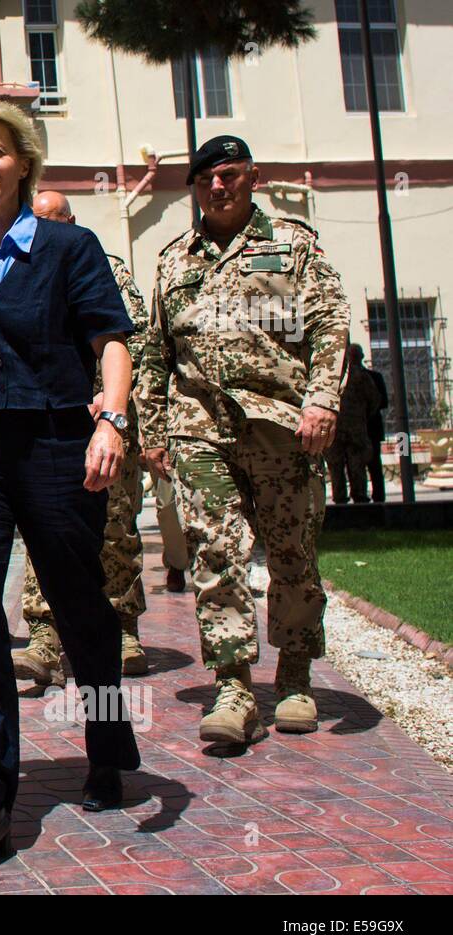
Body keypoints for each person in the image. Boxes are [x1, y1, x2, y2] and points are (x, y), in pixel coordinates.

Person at [0, 99, 140, 889]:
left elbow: (109, 339)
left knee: (83, 609)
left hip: (58, 449)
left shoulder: (68, 247)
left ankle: (110, 744)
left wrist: (110, 421)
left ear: (23, 163)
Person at [137, 135, 349, 745]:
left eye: (229, 175)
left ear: (252, 178)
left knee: (291, 554)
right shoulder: (174, 258)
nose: (218, 188)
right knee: (213, 554)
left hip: (283, 428)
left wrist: (323, 400)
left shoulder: (293, 246)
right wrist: (152, 428)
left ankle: (295, 677)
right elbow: (156, 349)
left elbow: (331, 322)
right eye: (206, 180)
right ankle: (233, 686)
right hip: (199, 426)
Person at [14, 190, 148, 681]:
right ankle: (45, 638)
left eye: (56, 219)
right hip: (48, 426)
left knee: (115, 527)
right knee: (42, 534)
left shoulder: (107, 269)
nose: (48, 226)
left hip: (109, 422)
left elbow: (137, 347)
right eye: (39, 219)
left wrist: (124, 415)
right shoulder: (20, 269)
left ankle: (122, 625)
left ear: (72, 221)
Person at [326, 344, 383, 503]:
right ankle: (358, 494)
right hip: (355, 426)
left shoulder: (332, 375)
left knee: (336, 463)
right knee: (357, 462)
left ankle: (339, 495)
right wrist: (363, 415)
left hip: (335, 426)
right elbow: (374, 400)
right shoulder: (361, 376)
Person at [363, 349, 390, 502]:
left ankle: (379, 496)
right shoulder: (342, 378)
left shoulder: (374, 377)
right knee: (354, 466)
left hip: (371, 429)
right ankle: (359, 497)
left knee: (374, 464)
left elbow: (382, 401)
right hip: (349, 431)